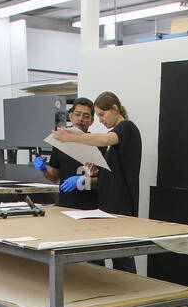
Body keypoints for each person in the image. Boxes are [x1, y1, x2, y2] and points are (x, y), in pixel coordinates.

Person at [53, 90, 141, 272]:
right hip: (108, 208)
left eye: (101, 114)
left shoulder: (126, 128)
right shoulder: (116, 141)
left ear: (115, 109)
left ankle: (129, 295)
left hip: (121, 210)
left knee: (122, 260)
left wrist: (71, 137)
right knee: (103, 259)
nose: (100, 119)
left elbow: (105, 138)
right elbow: (111, 174)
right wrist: (94, 172)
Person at [32, 97, 99, 211]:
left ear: (92, 121)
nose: (81, 119)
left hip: (90, 210)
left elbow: (104, 182)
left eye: (86, 116)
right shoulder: (60, 143)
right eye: (77, 114)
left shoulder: (98, 144)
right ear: (70, 116)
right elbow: (54, 177)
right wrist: (44, 170)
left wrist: (82, 180)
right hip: (64, 207)